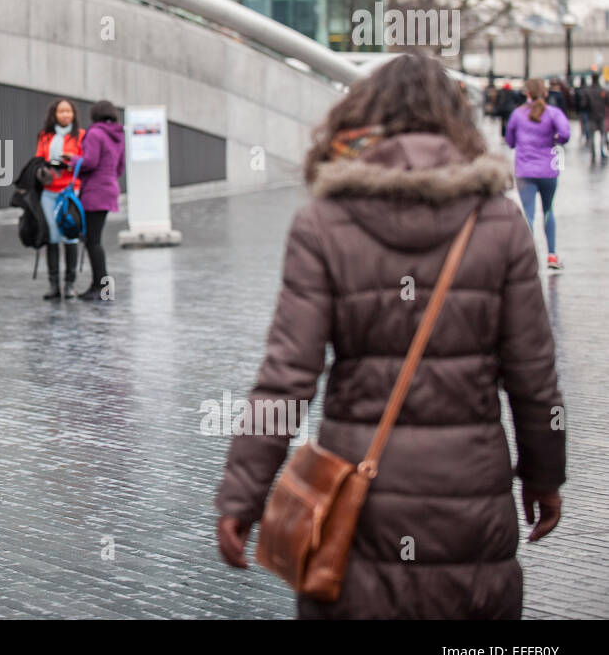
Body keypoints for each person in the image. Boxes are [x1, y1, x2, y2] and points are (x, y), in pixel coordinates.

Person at [215, 53, 565, 619]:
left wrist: (242, 494)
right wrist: (545, 476)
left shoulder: (323, 221)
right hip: (469, 500)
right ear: (456, 123)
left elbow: (285, 379)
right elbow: (534, 378)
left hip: (357, 503)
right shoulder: (499, 222)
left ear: (364, 116)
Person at [505, 78, 570, 270]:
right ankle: (551, 256)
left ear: (526, 94)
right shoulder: (553, 113)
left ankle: (528, 258)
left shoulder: (517, 114)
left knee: (528, 215)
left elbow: (510, 140)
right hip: (548, 170)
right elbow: (565, 134)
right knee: (548, 210)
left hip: (524, 171)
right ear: (546, 94)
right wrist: (554, 139)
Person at [34, 99, 84, 300]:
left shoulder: (80, 136)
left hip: (70, 191)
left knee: (69, 234)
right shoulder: (45, 136)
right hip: (49, 191)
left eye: (68, 111)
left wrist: (69, 162)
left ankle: (70, 284)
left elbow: (85, 160)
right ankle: (54, 285)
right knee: (52, 237)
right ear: (54, 114)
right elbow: (37, 159)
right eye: (61, 111)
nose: (65, 115)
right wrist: (43, 169)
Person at [75, 101, 125, 301]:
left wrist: (71, 160)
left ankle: (101, 287)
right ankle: (101, 287)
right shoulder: (117, 135)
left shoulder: (95, 134)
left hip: (94, 193)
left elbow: (90, 161)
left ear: (94, 115)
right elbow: (119, 167)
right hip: (109, 190)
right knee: (95, 241)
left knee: (93, 242)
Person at [586, 74, 608, 165]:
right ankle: (602, 152)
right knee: (603, 134)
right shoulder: (603, 90)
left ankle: (593, 153)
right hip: (601, 115)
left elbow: (584, 104)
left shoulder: (588, 91)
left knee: (592, 136)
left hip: (591, 116)